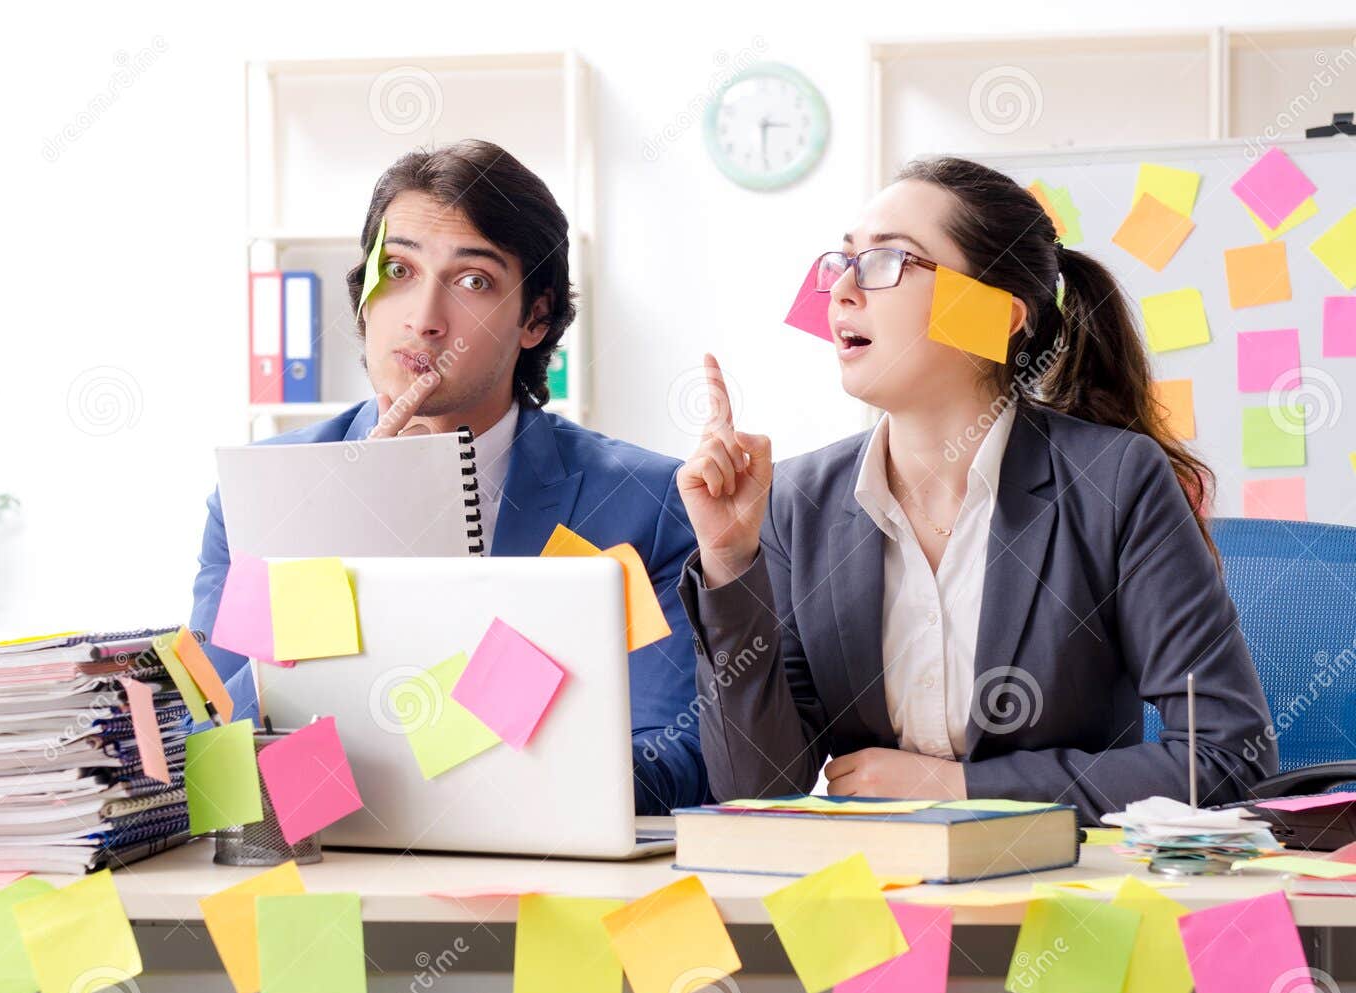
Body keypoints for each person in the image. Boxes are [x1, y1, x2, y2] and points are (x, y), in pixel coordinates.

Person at [674, 155, 1274, 822]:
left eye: (887, 261)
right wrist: (730, 562)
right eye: (842, 262)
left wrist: (956, 787)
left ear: (995, 315)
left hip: (1066, 897)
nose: (841, 290)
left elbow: (1231, 758)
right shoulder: (797, 501)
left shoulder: (1115, 481)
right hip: (871, 899)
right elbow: (759, 797)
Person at [191, 140, 708, 815]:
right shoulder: (258, 501)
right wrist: (343, 545)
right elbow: (211, 764)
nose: (424, 318)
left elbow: (670, 771)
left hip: (548, 892)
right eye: (398, 270)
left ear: (536, 319)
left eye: (474, 282)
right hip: (329, 885)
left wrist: (478, 728)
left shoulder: (646, 506)